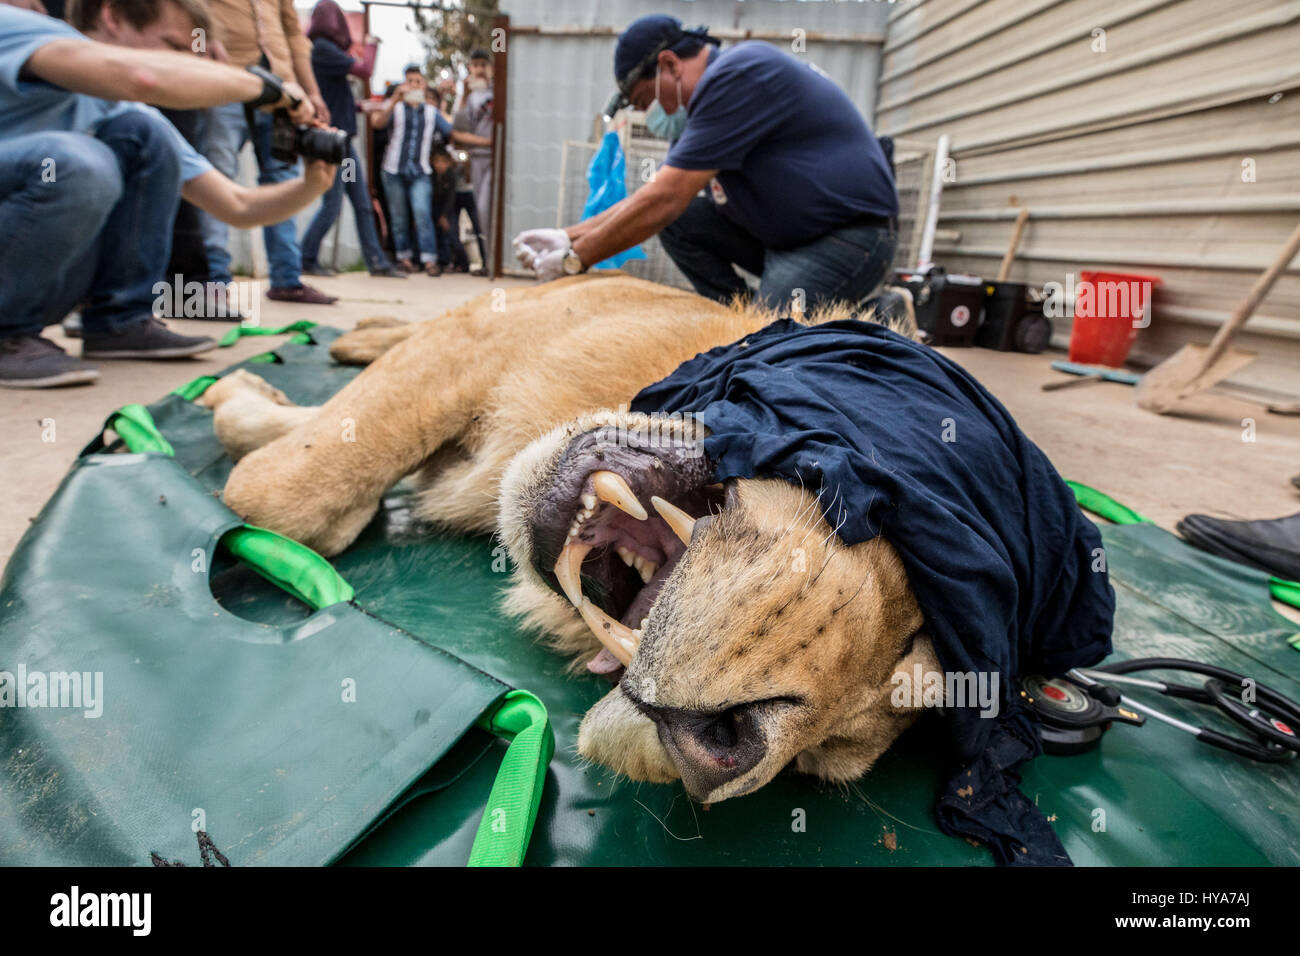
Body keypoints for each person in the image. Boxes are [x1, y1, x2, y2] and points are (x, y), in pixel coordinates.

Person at [0, 0, 337, 389]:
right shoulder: (18, 28)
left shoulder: (123, 112)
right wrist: (267, 87)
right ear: (113, 15)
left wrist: (312, 185)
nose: (189, 64)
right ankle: (7, 331)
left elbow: (238, 206)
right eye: (176, 47)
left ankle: (118, 322)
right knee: (78, 161)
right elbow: (144, 77)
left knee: (147, 136)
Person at [514, 15, 899, 313]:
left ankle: (875, 321)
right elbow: (655, 198)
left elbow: (665, 198)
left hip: (846, 238)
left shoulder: (740, 74)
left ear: (669, 64)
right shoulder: (701, 113)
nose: (649, 114)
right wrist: (569, 235)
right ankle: (746, 316)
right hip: (784, 239)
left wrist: (574, 260)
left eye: (645, 99)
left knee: (771, 349)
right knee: (681, 225)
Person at [199, 0, 338, 305]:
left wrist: (311, 91)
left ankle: (287, 279)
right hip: (223, 76)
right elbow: (190, 11)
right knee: (213, 175)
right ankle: (211, 282)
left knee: (283, 175)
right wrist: (200, 46)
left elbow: (293, 35)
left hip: (280, 89)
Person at [298, 0, 403, 278]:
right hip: (333, 144)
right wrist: (371, 44)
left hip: (339, 143)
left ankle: (376, 262)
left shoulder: (322, 52)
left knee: (360, 203)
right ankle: (306, 258)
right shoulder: (323, 49)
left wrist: (360, 106)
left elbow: (331, 97)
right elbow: (365, 70)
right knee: (337, 204)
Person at [370, 64, 450, 276]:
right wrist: (395, 98)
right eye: (409, 82)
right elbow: (377, 122)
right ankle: (404, 258)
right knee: (399, 217)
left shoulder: (432, 113)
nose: (413, 85)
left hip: (420, 172)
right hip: (393, 169)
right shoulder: (395, 108)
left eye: (418, 82)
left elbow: (451, 131)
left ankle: (429, 259)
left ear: (424, 86)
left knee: (422, 212)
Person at [452, 47, 493, 266]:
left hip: (499, 160)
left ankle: (497, 258)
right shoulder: (466, 97)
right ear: (469, 68)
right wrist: (465, 95)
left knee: (493, 207)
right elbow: (458, 132)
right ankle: (490, 259)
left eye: (483, 65)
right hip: (478, 158)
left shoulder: (498, 90)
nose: (479, 70)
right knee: (483, 211)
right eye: (475, 65)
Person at [430, 145, 467, 272]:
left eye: (443, 162)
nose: (440, 165)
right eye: (437, 161)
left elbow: (450, 198)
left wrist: (444, 215)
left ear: (449, 163)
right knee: (437, 236)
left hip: (447, 210)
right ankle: (442, 262)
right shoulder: (430, 175)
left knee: (451, 236)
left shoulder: (450, 176)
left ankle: (461, 263)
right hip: (434, 209)